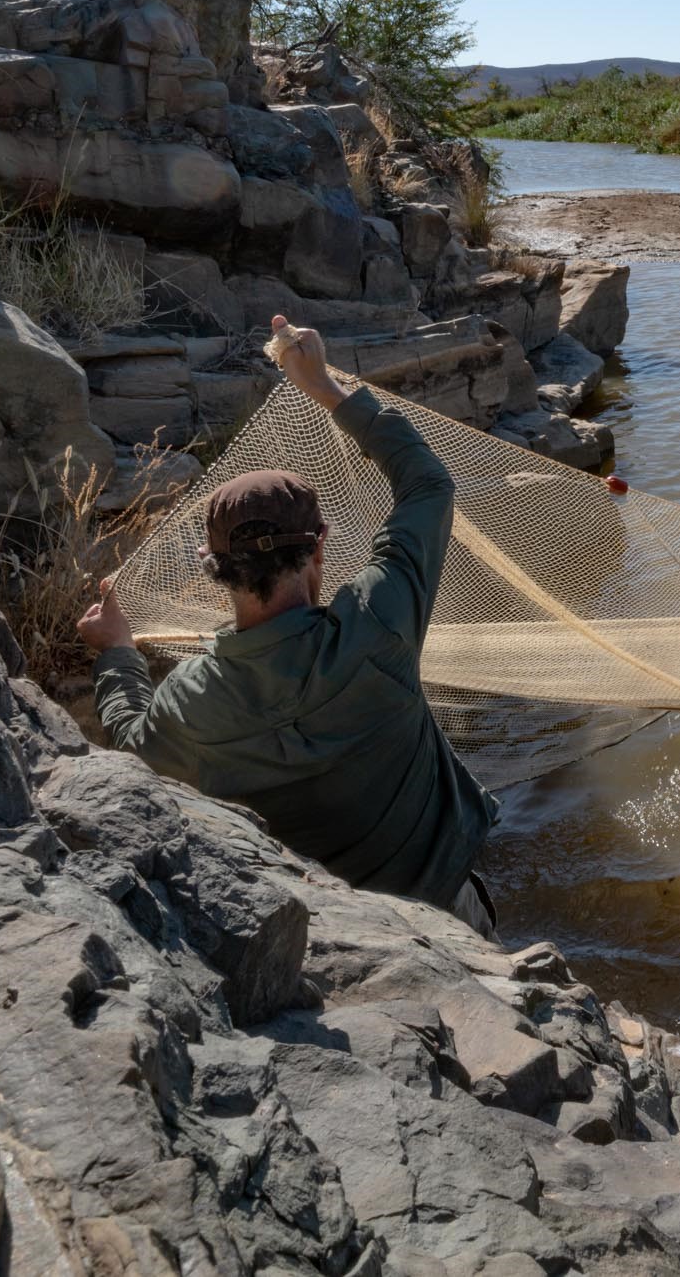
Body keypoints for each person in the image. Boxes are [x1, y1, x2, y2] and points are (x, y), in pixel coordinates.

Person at [75, 314, 501, 936]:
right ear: (321, 548)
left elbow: (131, 744)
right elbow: (428, 485)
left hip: (328, 936)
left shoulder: (191, 702)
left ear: (213, 570)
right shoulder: (379, 621)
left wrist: (115, 653)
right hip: (447, 913)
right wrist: (322, 386)